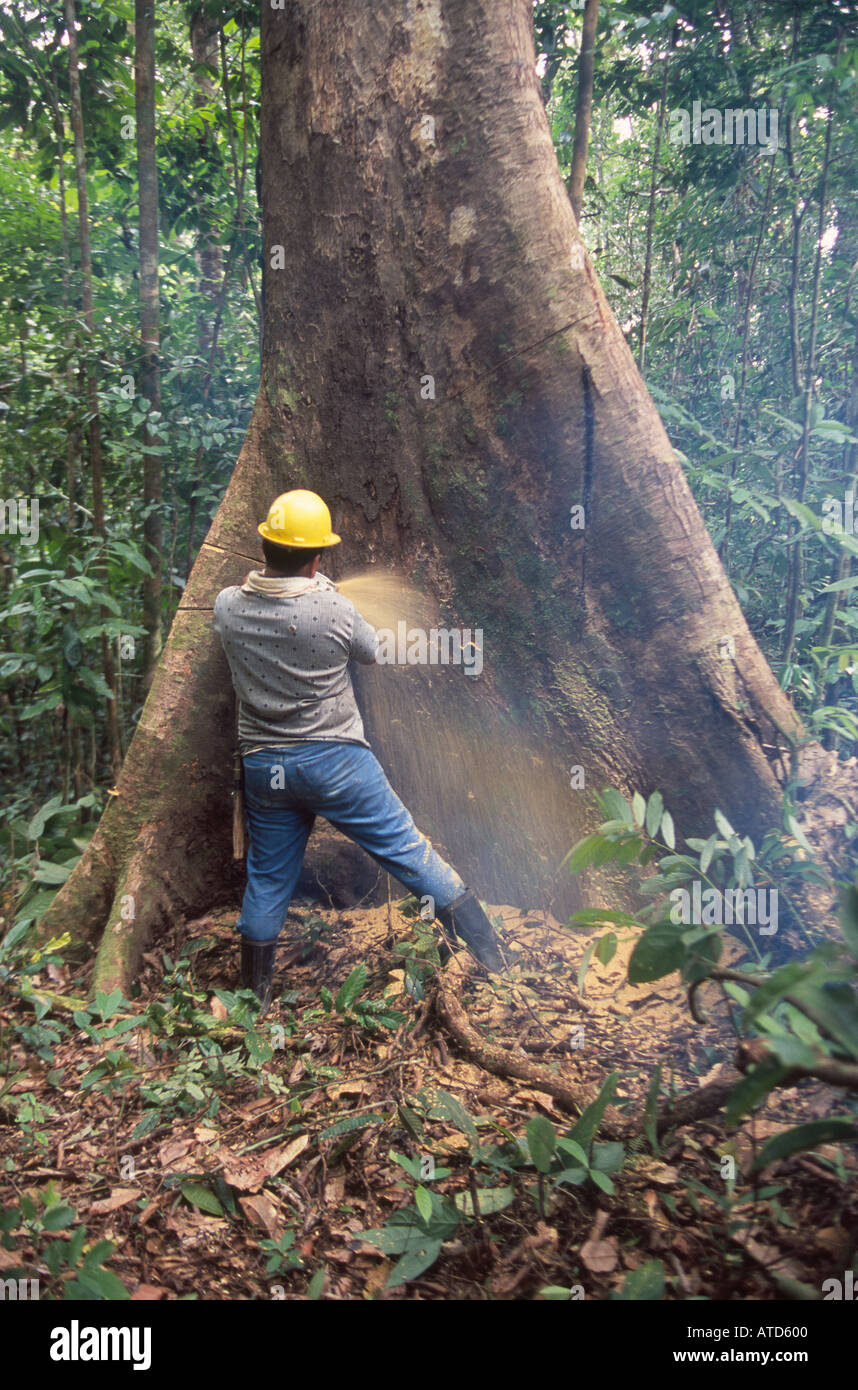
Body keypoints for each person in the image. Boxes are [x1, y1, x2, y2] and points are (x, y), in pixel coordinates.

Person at [213, 489, 505, 1009]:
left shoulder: (228, 607)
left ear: (264, 546)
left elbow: (258, 606)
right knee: (407, 851)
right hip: (337, 763)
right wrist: (322, 593)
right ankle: (494, 958)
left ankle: (252, 1001)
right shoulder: (336, 608)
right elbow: (371, 653)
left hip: (266, 771)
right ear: (317, 557)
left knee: (267, 878)